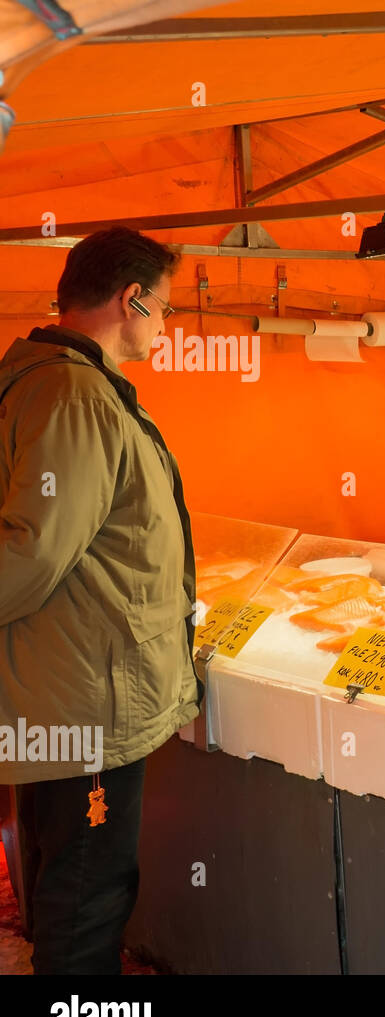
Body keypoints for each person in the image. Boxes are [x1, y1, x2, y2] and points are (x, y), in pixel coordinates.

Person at [0, 227, 201, 974]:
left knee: (67, 881)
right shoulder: (74, 392)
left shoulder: (45, 380)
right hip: (86, 703)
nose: (166, 324)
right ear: (131, 299)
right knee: (87, 897)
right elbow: (35, 547)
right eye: (166, 308)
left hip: (62, 690)